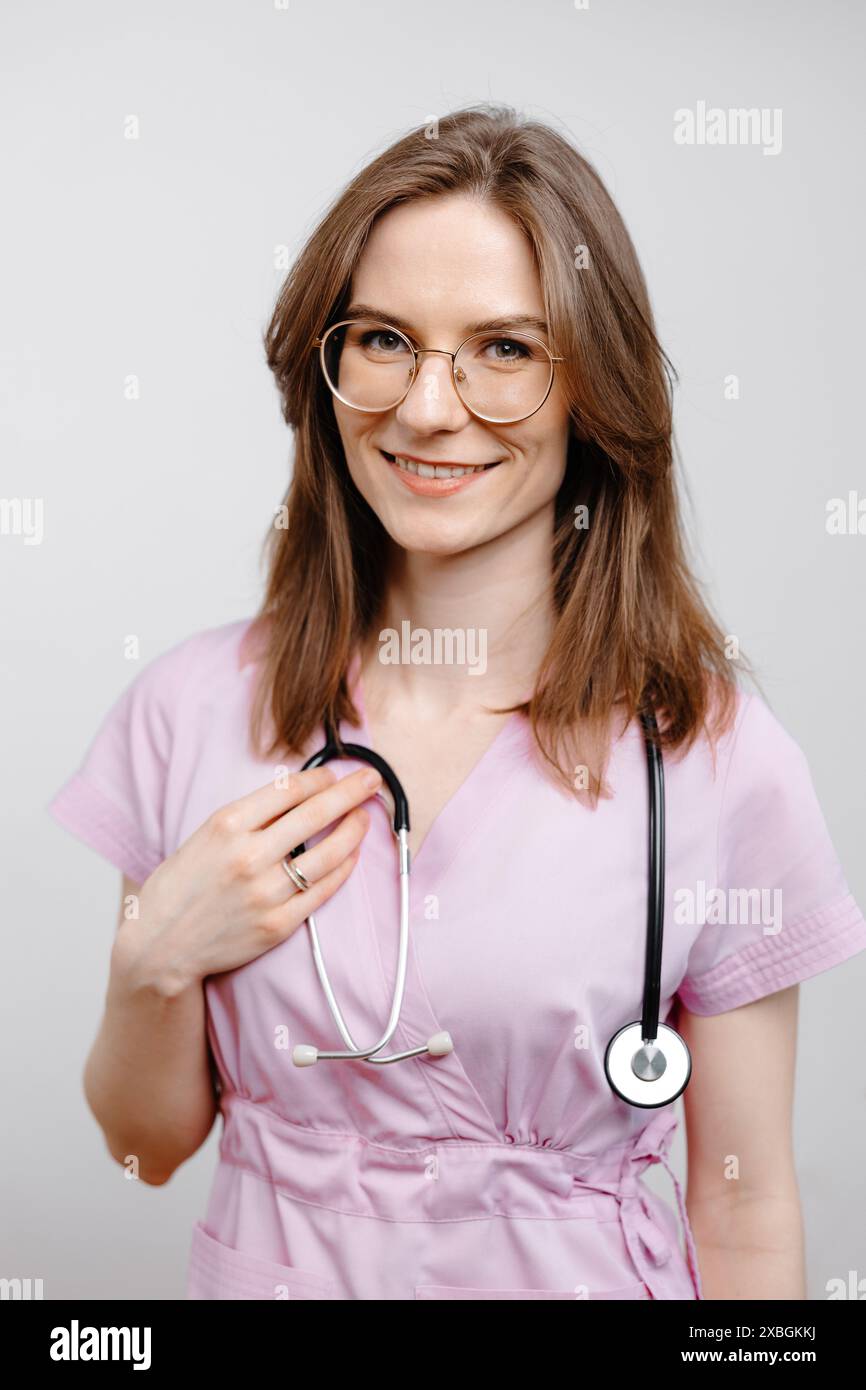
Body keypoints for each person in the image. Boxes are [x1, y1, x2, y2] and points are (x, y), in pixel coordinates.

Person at [47, 105, 866, 1301]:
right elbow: (145, 1146)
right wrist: (153, 964)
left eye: (504, 349)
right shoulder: (188, 712)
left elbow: (741, 1204)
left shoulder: (711, 759)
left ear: (594, 388)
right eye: (383, 338)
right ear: (324, 366)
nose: (429, 408)